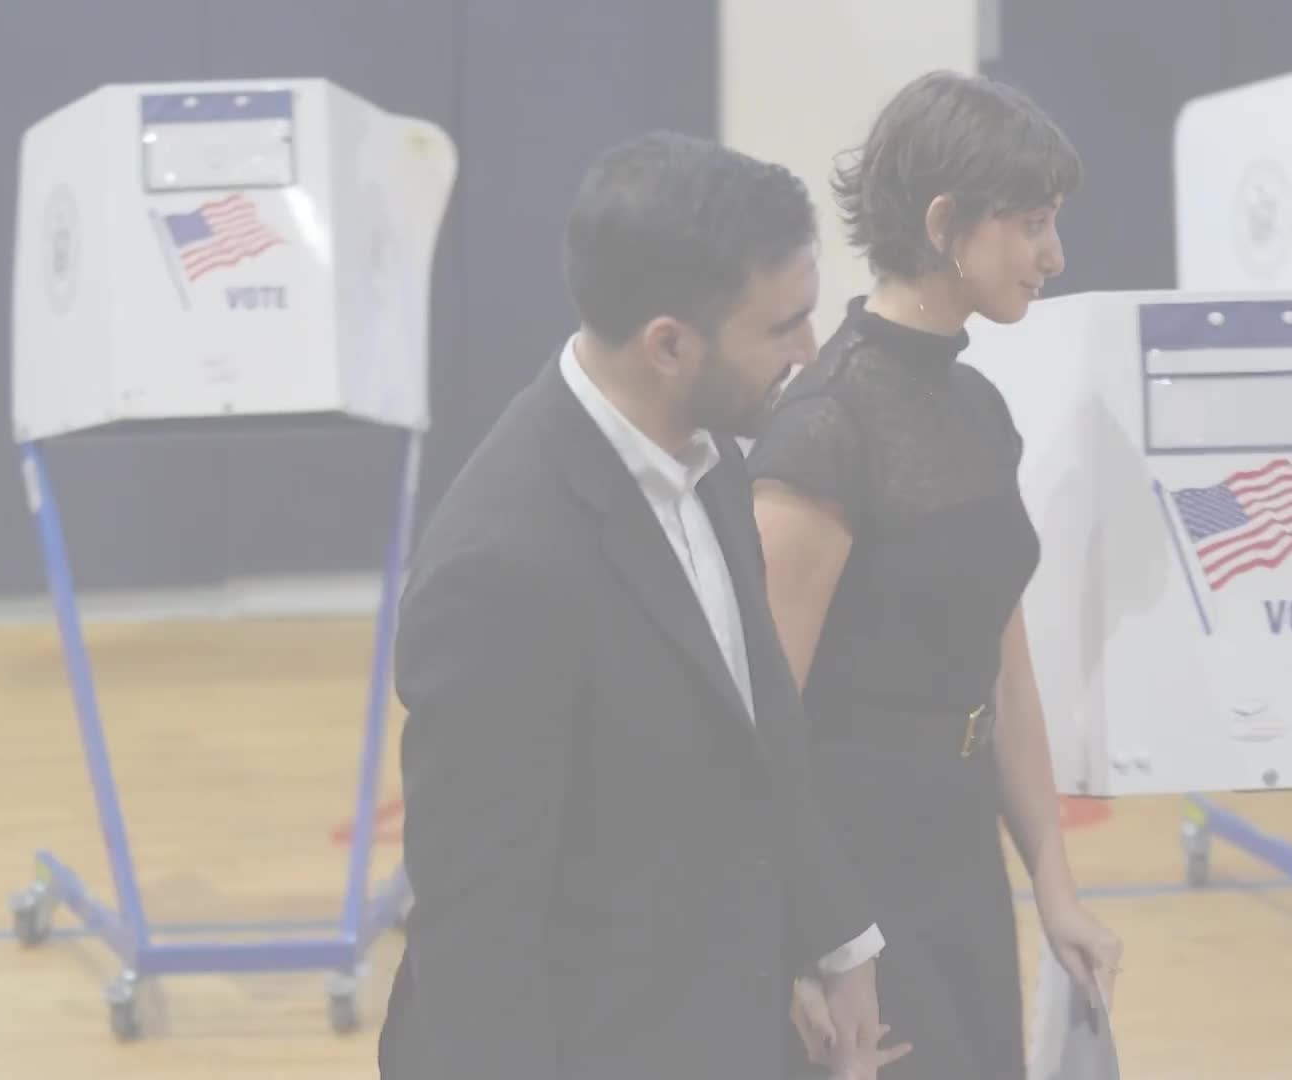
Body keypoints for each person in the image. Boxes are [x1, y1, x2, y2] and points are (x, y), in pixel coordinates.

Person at [378, 130, 910, 1080]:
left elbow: (760, 734)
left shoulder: (710, 456)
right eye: (783, 325)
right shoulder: (499, 569)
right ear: (670, 344)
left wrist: (834, 942)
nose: (810, 348)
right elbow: (479, 934)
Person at [745, 72, 1124, 1079]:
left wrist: (1054, 885)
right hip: (851, 875)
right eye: (1032, 223)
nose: (1055, 255)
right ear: (946, 222)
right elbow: (760, 722)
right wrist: (794, 947)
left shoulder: (978, 408)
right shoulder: (821, 430)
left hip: (962, 851)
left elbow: (1005, 678)